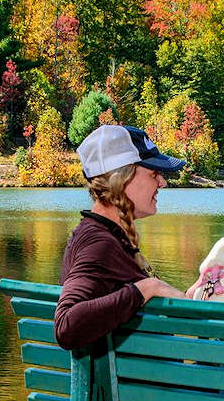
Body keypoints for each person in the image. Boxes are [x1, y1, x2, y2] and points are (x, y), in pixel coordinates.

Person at [54, 124, 189, 350]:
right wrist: (147, 288)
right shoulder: (99, 243)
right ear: (122, 179)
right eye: (154, 173)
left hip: (138, 382)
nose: (162, 183)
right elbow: (67, 326)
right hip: (153, 384)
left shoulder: (102, 234)